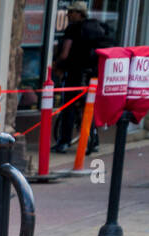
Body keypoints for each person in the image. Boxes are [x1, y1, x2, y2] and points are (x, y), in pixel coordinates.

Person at [54, 1, 108, 153]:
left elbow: (65, 53)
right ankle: (94, 141)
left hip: (75, 74)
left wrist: (56, 64)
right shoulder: (97, 27)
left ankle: (64, 142)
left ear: (79, 13)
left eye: (71, 12)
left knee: (69, 107)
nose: (68, 15)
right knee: (87, 107)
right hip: (93, 74)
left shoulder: (73, 28)